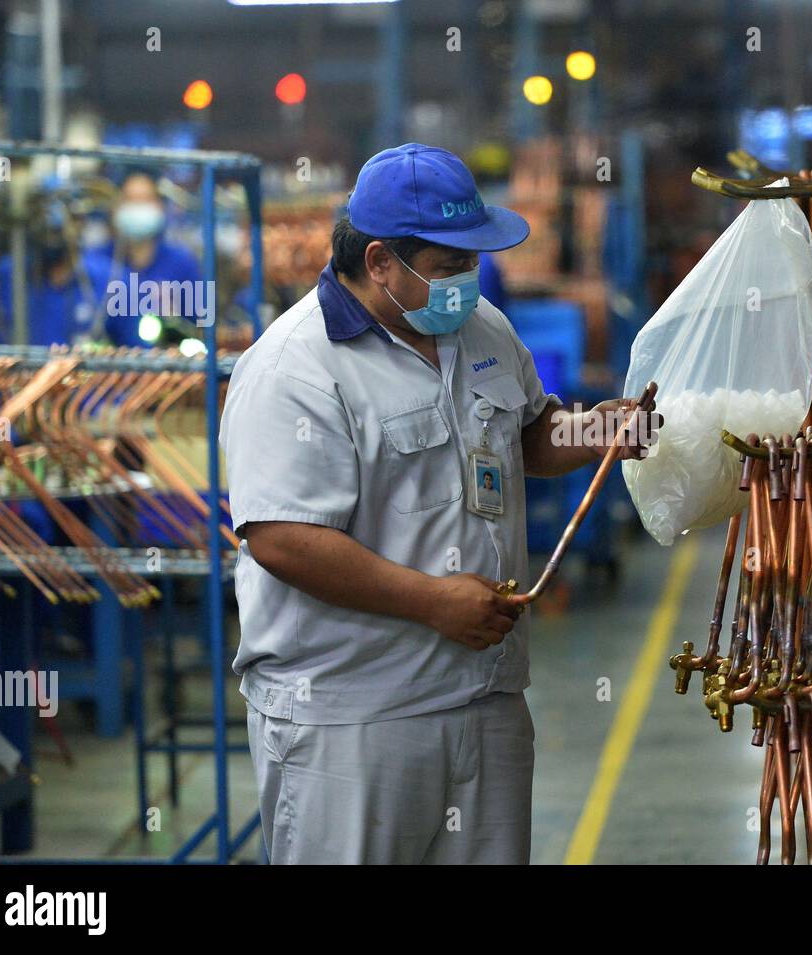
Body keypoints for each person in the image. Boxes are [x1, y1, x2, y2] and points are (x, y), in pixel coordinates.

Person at [220, 143, 660, 865]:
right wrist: (430, 601)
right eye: (449, 265)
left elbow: (527, 434)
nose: (466, 280)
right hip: (353, 717)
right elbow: (281, 537)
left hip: (485, 694)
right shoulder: (294, 368)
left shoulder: (481, 326)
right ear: (379, 262)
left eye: (471, 262)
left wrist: (596, 430)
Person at [83, 168, 201, 347]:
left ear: (160, 206)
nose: (138, 208)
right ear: (116, 208)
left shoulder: (182, 263)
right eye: (130, 200)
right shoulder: (96, 263)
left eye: (146, 200)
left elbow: (200, 327)